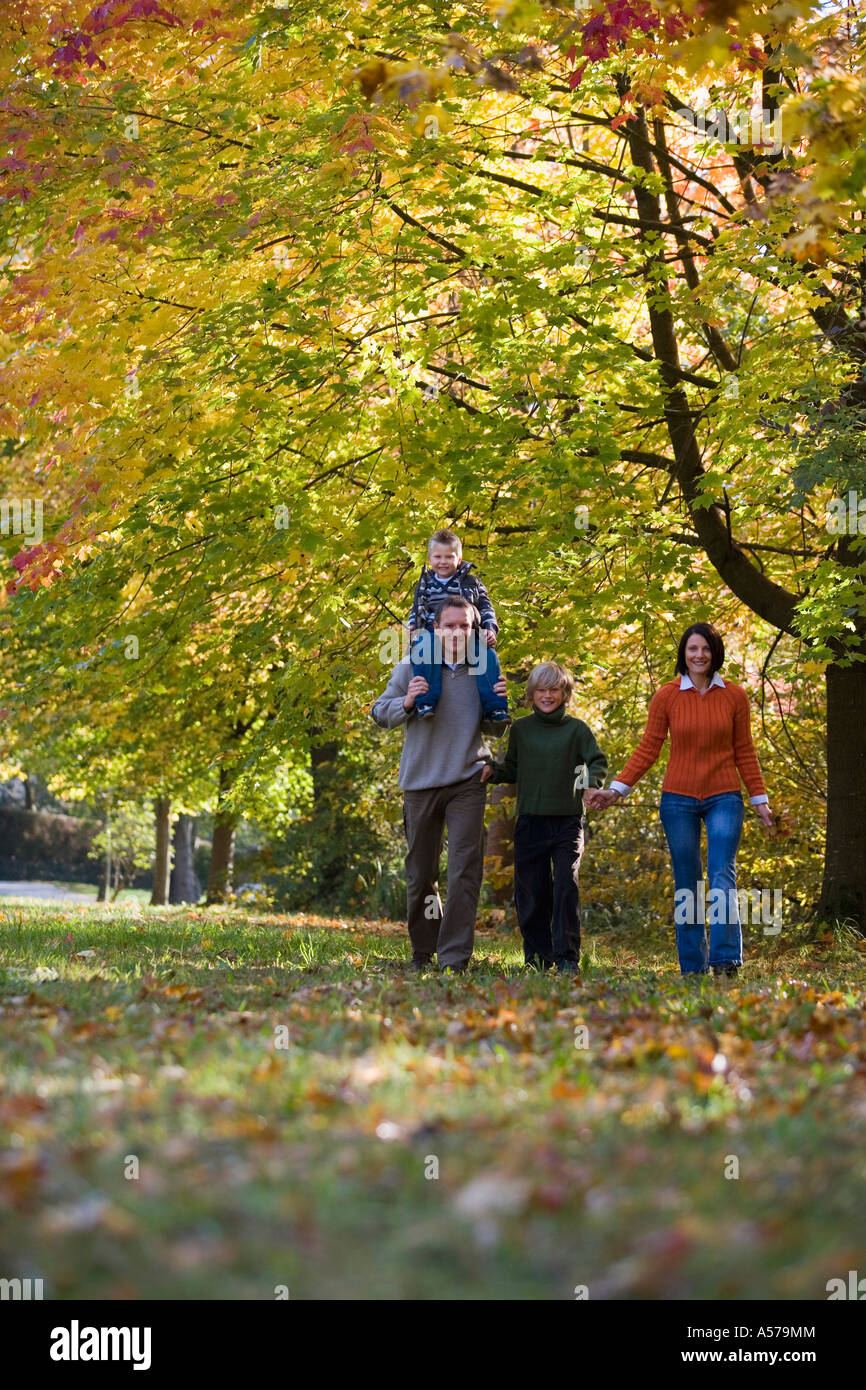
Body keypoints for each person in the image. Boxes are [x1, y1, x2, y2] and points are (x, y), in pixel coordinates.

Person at [585, 623, 775, 979]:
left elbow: (744, 751)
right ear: (683, 655)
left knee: (722, 874)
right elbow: (648, 748)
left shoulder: (734, 696)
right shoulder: (667, 696)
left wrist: (759, 799)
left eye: (705, 649)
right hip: (678, 800)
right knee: (687, 880)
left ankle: (724, 960)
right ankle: (692, 965)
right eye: (692, 649)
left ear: (715, 653)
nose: (699, 655)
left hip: (724, 796)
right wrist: (616, 789)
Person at [371, 596, 509, 973]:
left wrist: (501, 706)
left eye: (464, 626)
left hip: (467, 780)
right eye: (448, 626)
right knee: (421, 872)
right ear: (435, 628)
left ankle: (454, 958)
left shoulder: (484, 667)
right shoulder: (412, 665)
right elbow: (379, 713)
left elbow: (495, 728)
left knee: (464, 871)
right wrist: (409, 702)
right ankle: (423, 948)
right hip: (420, 783)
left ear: (474, 630)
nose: (456, 633)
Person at [481, 661, 607, 974]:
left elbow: (597, 761)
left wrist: (591, 786)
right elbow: (511, 768)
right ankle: (538, 958)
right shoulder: (521, 730)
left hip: (567, 821)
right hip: (531, 820)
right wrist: (491, 772)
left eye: (554, 689)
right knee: (532, 891)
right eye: (542, 690)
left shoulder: (577, 730)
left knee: (565, 884)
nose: (548, 695)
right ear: (532, 694)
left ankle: (566, 958)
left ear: (565, 694)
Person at [407, 528, 509, 725]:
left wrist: (490, 628)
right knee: (425, 651)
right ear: (429, 558)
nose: (443, 562)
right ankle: (426, 702)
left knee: (488, 656)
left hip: (467, 631)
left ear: (459, 558)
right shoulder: (425, 583)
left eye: (449, 557)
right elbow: (417, 607)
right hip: (432, 630)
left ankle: (495, 707)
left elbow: (486, 607)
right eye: (438, 556)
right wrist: (413, 625)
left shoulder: (471, 582)